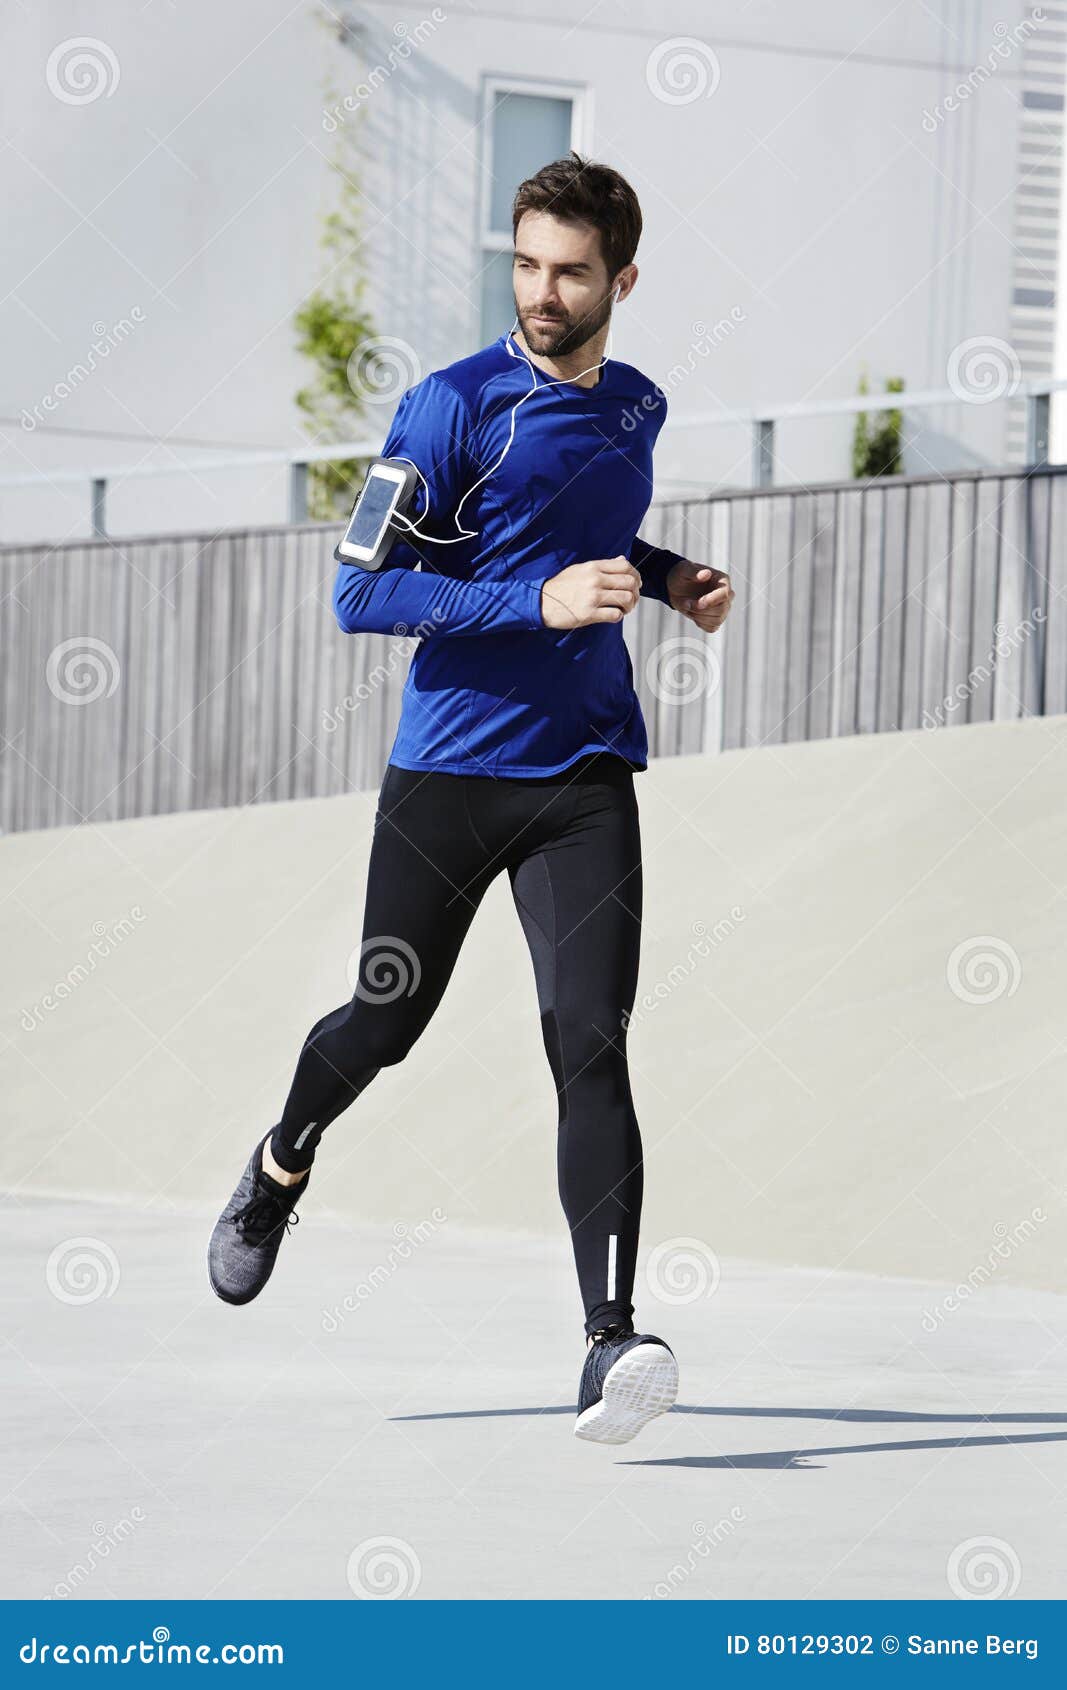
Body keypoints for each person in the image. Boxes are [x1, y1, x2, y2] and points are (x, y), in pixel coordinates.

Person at [208, 151, 734, 1445]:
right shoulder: (448, 407)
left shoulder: (642, 406)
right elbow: (361, 591)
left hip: (584, 777)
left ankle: (612, 1344)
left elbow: (581, 533)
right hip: (448, 773)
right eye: (526, 265)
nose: (542, 293)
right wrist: (534, 603)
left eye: (569, 271)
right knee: (384, 1020)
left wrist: (664, 576)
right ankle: (280, 1160)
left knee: (589, 1036)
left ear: (622, 278)